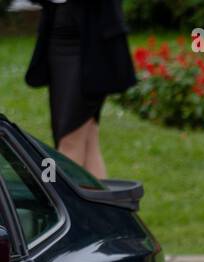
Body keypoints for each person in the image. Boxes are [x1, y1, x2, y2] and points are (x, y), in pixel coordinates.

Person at [24, 0, 136, 179]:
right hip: (57, 39)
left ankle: (63, 206)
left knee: (69, 143)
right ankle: (101, 206)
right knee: (87, 140)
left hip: (94, 45)